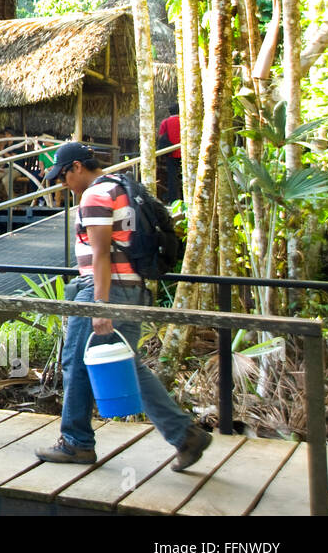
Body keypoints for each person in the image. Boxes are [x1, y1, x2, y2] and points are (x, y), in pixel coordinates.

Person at [34, 142, 212, 470]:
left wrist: (100, 306)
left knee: (75, 362)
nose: (63, 184)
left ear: (76, 167)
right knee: (126, 364)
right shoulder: (121, 186)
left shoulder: (95, 195)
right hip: (133, 289)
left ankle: (76, 442)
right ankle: (185, 435)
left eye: (63, 176)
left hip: (105, 291)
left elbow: (101, 254)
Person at [157, 104, 183, 203]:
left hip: (171, 153)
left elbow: (161, 137)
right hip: (184, 153)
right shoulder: (184, 121)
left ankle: (173, 200)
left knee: (172, 178)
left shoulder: (166, 122)